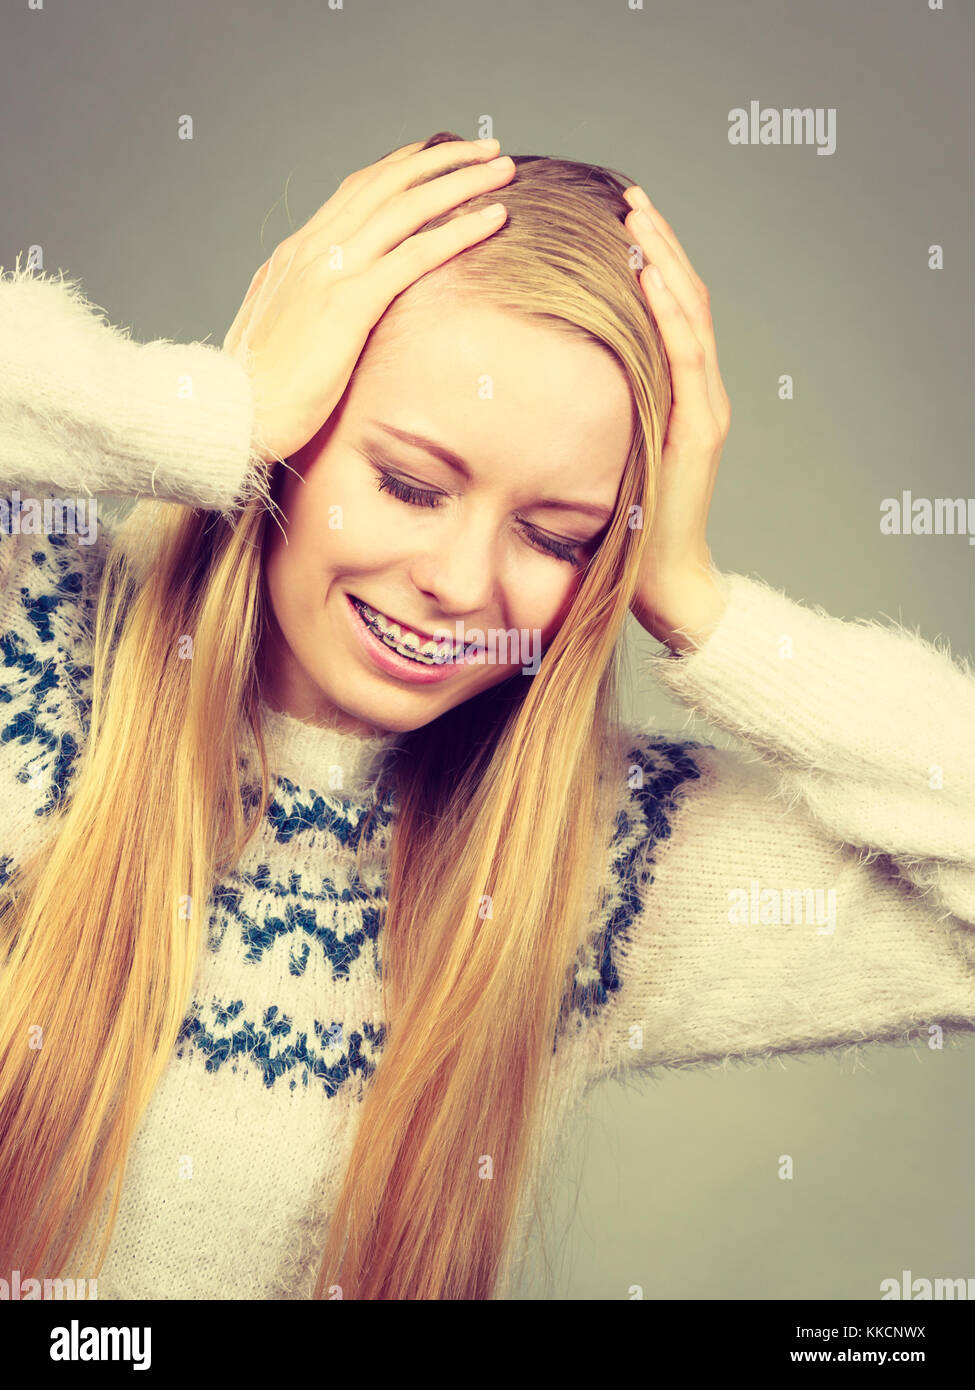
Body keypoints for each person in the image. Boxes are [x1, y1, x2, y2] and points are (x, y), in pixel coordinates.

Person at [0, 130, 972, 1302]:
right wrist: (213, 409)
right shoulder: (33, 636)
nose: (461, 582)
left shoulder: (591, 863)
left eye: (557, 537)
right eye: (409, 484)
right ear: (296, 435)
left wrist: (701, 610)